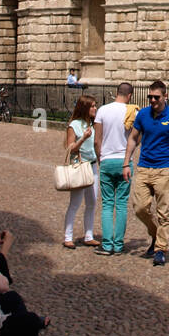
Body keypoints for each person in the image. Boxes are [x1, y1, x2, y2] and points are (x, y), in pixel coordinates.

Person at [123, 80, 169, 267]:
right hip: (144, 167)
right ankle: (155, 233)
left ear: (165, 97)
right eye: (150, 97)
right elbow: (133, 139)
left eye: (156, 97)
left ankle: (160, 248)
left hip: (164, 170)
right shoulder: (142, 114)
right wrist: (126, 163)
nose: (152, 100)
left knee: (163, 212)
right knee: (139, 208)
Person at [94, 83, 135, 255]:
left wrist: (100, 158)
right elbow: (136, 138)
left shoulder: (102, 110)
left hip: (107, 160)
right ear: (130, 95)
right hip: (125, 162)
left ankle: (107, 244)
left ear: (117, 93)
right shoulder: (132, 112)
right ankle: (118, 245)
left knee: (107, 204)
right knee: (121, 204)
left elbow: (97, 140)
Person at [62, 95, 100, 249]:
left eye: (95, 106)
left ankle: (89, 235)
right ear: (85, 108)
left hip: (92, 165)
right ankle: (68, 236)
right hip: (80, 166)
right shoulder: (74, 125)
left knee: (92, 202)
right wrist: (83, 138)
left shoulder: (95, 124)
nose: (95, 108)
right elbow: (70, 148)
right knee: (75, 203)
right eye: (92, 106)